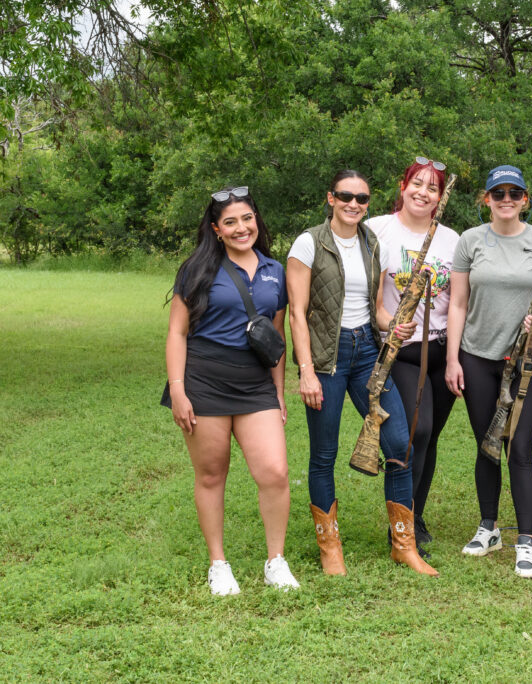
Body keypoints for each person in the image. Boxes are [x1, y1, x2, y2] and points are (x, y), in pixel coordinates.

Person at [287, 170, 436, 577]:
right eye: (346, 196)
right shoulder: (308, 243)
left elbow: (377, 309)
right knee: (324, 455)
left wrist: (394, 326)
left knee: (399, 445)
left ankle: (403, 544)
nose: (354, 204)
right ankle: (330, 547)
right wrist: (306, 371)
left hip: (367, 352)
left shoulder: (373, 244)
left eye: (362, 198)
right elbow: (297, 314)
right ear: (330, 198)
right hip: (326, 360)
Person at [163, 186, 300, 595]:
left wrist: (278, 392)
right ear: (216, 230)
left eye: (247, 218)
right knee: (211, 474)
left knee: (275, 472)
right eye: (231, 222)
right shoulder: (198, 269)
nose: (242, 228)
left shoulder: (275, 270)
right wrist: (178, 390)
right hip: (204, 380)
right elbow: (176, 332)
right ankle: (218, 564)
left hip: (255, 383)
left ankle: (275, 561)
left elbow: (275, 337)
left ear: (257, 220)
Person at [445, 164, 532, 578]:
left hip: (525, 363)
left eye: (514, 193)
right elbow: (457, 303)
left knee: (519, 449)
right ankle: (488, 527)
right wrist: (453, 358)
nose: (506, 200)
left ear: (525, 199)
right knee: (487, 445)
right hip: (476, 356)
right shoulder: (470, 241)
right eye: (498, 193)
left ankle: (526, 541)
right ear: (486, 200)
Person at [366, 157, 458, 558]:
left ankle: (414, 515)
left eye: (432, 187)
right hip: (400, 351)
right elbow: (366, 297)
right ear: (402, 187)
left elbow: (458, 300)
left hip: (440, 348)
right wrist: (388, 324)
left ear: (441, 196)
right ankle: (400, 521)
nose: (423, 192)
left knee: (431, 435)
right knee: (413, 435)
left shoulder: (452, 239)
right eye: (417, 184)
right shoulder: (377, 231)